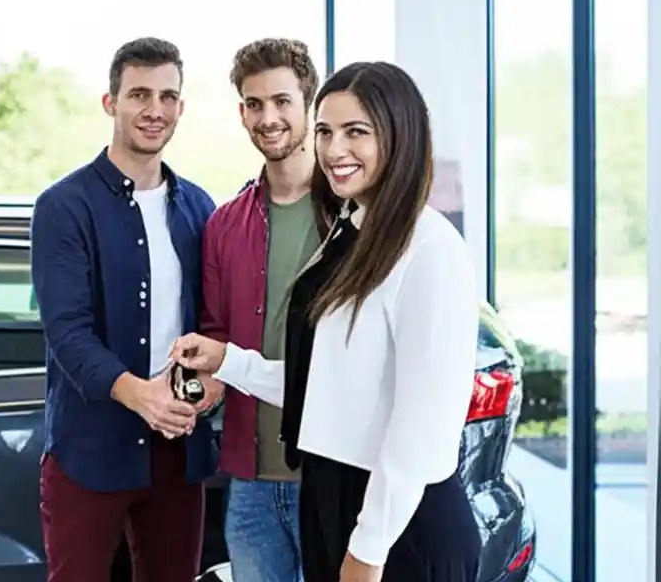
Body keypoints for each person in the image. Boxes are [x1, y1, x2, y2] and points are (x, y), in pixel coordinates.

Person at [169, 61, 482, 582]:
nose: (334, 151)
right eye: (326, 132)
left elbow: (421, 429)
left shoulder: (431, 250)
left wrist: (369, 549)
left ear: (399, 135)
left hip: (397, 525)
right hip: (334, 498)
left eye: (356, 132)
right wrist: (229, 362)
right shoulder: (354, 232)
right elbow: (330, 388)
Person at [30, 36, 222, 582]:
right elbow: (67, 333)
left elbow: (212, 322)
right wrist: (143, 397)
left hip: (177, 453)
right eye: (139, 94)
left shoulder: (199, 207)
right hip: (89, 450)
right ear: (111, 101)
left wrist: (214, 386)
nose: (154, 110)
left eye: (168, 96)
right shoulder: (64, 207)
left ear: (181, 107)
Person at [201, 38, 331, 582]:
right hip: (249, 485)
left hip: (331, 475)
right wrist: (194, 392)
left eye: (282, 101)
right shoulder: (224, 224)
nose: (268, 118)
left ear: (310, 104)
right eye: (254, 105)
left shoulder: (353, 218)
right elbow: (215, 337)